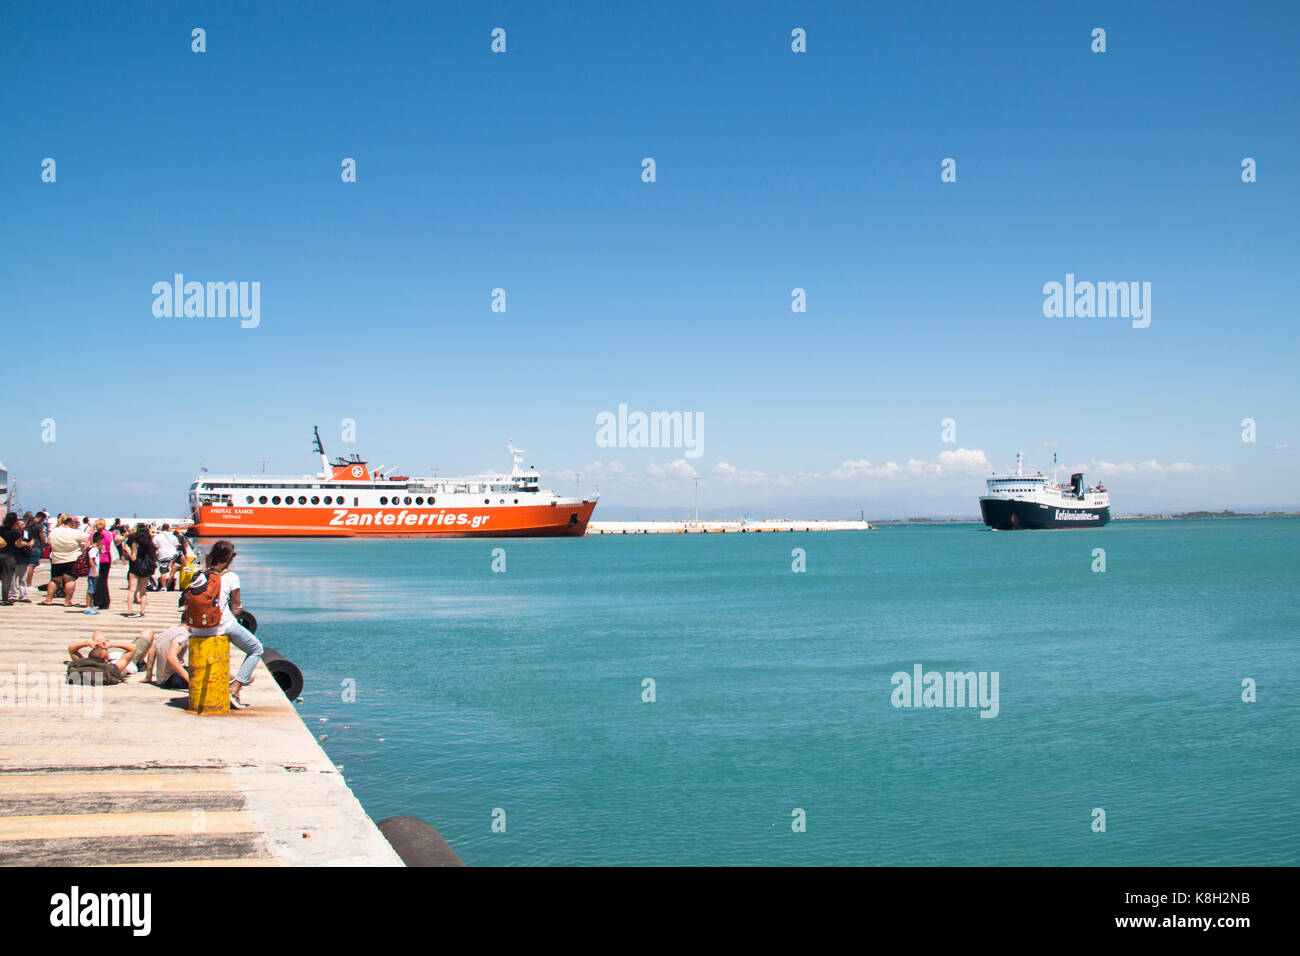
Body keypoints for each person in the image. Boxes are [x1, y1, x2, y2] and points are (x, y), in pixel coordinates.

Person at [198, 540, 263, 709]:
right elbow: (236, 605)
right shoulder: (231, 577)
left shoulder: (201, 574)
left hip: (198, 626)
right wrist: (237, 607)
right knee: (256, 649)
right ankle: (235, 688)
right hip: (221, 625)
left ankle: (235, 689)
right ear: (230, 558)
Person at [42, 515, 88, 607]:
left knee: (54, 580)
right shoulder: (75, 532)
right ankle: (67, 601)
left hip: (56, 558)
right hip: (71, 558)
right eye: (76, 523)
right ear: (71, 523)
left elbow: (49, 542)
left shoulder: (54, 531)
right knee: (69, 580)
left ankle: (48, 599)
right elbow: (89, 538)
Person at [67, 630, 153, 678]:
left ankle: (101, 645)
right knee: (149, 632)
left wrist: (87, 643)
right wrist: (111, 645)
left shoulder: (85, 663)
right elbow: (132, 648)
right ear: (106, 658)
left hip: (111, 650)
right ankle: (140, 661)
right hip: (129, 656)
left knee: (97, 633)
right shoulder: (114, 667)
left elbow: (71, 650)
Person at [121, 523, 157, 617]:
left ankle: (129, 611)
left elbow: (133, 558)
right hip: (146, 569)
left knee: (132, 590)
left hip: (135, 567)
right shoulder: (149, 544)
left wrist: (130, 551)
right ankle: (142, 611)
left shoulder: (135, 543)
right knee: (143, 591)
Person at [145, 624, 191, 689]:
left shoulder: (168, 631)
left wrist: (148, 676)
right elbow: (171, 657)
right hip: (173, 678)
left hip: (162, 679)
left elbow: (152, 652)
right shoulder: (183, 634)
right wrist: (189, 680)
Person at [0, 513, 24, 605]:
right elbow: (18, 544)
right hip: (8, 556)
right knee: (6, 578)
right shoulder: (15, 533)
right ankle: (5, 599)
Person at [89, 519, 113, 610]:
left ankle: (97, 600)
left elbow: (87, 545)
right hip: (106, 559)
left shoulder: (93, 535)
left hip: (96, 559)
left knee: (96, 580)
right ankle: (105, 601)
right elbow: (120, 538)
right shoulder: (110, 534)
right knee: (104, 580)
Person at [152, 524, 179, 591]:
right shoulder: (173, 536)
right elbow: (177, 546)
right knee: (172, 572)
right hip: (173, 555)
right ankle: (169, 585)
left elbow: (154, 546)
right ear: (168, 528)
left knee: (163, 572)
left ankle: (164, 587)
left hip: (163, 555)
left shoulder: (157, 536)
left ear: (162, 528)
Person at [24, 511, 47, 589]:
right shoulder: (38, 526)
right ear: (40, 518)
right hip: (36, 546)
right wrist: (43, 547)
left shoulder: (28, 524)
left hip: (28, 546)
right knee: (32, 565)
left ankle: (24, 583)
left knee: (26, 566)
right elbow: (42, 538)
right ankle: (29, 584)